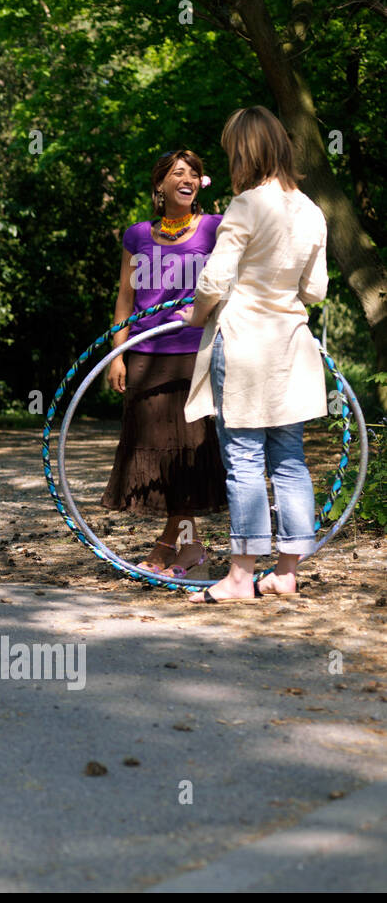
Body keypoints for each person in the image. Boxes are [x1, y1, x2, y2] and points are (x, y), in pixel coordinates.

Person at [179, 107, 329, 603]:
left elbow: (215, 280)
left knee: (243, 458)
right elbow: (314, 290)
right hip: (290, 348)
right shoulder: (312, 210)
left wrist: (197, 316)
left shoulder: (245, 206)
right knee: (289, 459)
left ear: (245, 152)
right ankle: (286, 572)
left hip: (242, 344)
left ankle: (241, 578)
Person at [101, 150, 228, 576]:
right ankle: (186, 549)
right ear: (160, 185)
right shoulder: (136, 235)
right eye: (178, 173)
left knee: (188, 453)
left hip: (196, 355)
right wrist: (117, 353)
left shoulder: (214, 227)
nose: (187, 178)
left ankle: (173, 548)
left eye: (194, 173)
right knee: (157, 455)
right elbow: (125, 298)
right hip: (146, 357)